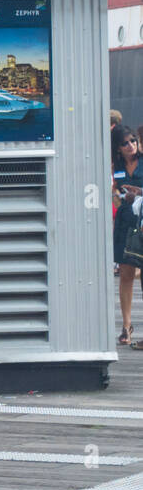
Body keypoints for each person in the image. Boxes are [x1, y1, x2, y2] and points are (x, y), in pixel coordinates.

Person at [111, 124, 143, 344]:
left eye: (133, 140)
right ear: (118, 147)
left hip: (142, 220)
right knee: (126, 274)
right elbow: (114, 195)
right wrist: (119, 196)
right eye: (125, 143)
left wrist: (139, 192)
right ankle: (126, 325)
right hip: (125, 220)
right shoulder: (116, 166)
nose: (131, 145)